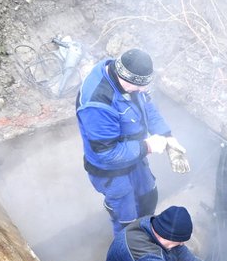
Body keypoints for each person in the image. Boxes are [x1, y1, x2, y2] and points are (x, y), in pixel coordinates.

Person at [76, 48, 191, 234]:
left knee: (148, 198)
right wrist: (148, 146)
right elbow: (107, 154)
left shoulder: (128, 77)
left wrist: (167, 136)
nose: (143, 90)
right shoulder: (97, 104)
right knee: (126, 221)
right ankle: (128, 254)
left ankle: (144, 235)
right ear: (124, 77)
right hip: (111, 172)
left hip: (134, 158)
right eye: (138, 87)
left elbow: (148, 109)